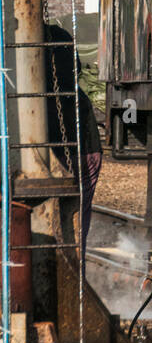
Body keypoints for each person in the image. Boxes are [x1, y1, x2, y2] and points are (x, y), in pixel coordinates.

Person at [44, 23, 102, 267]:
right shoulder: (79, 96)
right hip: (86, 148)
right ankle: (74, 271)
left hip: (72, 149)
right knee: (77, 220)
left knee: (64, 220)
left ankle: (67, 272)